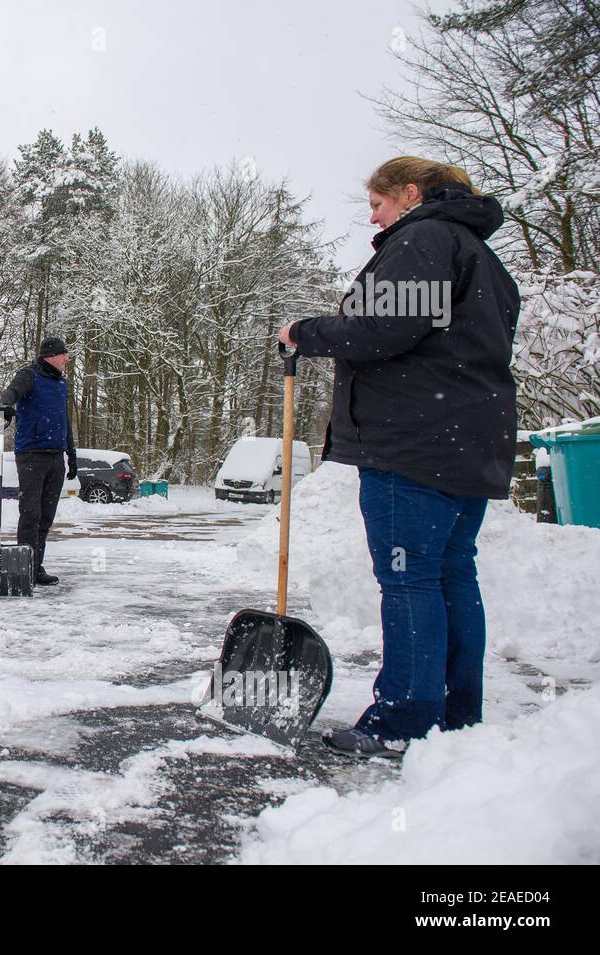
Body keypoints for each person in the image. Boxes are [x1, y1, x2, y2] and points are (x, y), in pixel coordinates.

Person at [279, 157, 520, 757]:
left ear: (411, 193)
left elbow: (381, 329)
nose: (372, 215)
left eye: (377, 203)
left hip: (414, 444)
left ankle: (405, 720)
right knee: (450, 574)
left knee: (410, 579)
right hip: (468, 443)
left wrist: (304, 333)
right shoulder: (484, 259)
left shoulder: (424, 239)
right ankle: (455, 714)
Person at [0, 336, 78, 585]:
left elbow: (64, 420)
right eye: (63, 354)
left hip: (55, 456)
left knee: (46, 516)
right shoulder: (29, 375)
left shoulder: (61, 384)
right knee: (31, 513)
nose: (66, 359)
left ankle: (35, 566)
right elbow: (11, 392)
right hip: (31, 455)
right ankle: (23, 566)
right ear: (50, 356)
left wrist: (71, 454)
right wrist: (4, 405)